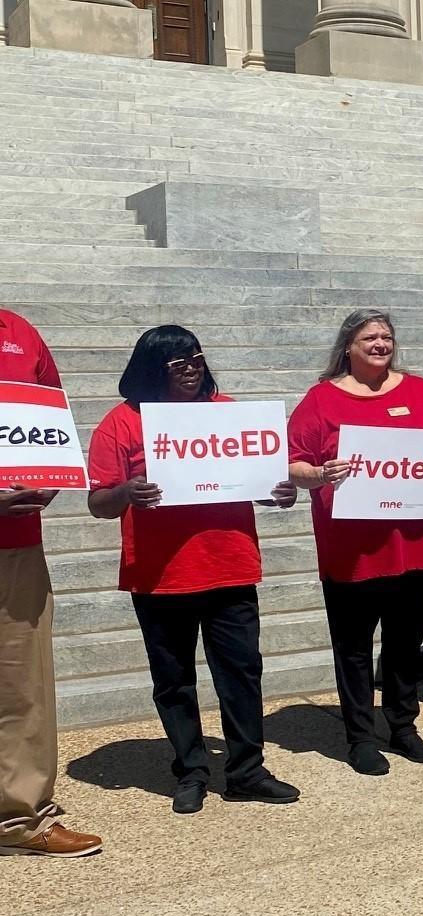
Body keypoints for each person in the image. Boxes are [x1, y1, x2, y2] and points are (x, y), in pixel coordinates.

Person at [87, 327, 301, 813]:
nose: (191, 368)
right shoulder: (121, 423)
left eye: (196, 358)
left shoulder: (230, 414)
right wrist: (127, 493)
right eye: (176, 362)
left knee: (242, 674)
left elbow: (263, 481)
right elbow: (98, 502)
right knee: (173, 679)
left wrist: (277, 492)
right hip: (161, 574)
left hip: (230, 566)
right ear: (149, 369)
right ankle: (190, 771)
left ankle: (247, 770)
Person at [288, 312, 423, 775]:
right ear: (348, 346)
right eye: (369, 337)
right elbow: (290, 463)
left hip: (413, 542)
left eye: (387, 336)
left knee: (405, 641)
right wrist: (319, 473)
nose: (380, 343)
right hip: (352, 547)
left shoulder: (420, 392)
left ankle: (403, 725)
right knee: (353, 647)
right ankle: (360, 735)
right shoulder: (321, 399)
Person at [0, 306, 101, 858]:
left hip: (14, 547)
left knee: (21, 687)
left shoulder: (20, 334)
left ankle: (19, 817)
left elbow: (49, 430)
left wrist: (49, 481)